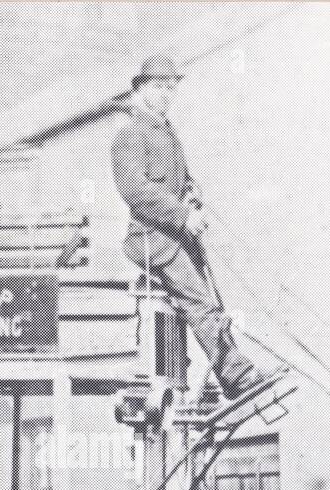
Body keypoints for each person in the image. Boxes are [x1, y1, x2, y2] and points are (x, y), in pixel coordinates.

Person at [110, 55, 269, 399]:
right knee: (199, 301)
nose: (167, 94)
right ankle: (238, 376)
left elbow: (179, 179)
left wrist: (193, 194)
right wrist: (183, 215)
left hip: (177, 236)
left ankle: (232, 374)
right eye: (159, 87)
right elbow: (136, 192)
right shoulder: (131, 135)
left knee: (211, 300)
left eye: (171, 87)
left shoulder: (166, 132)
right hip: (154, 240)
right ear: (140, 90)